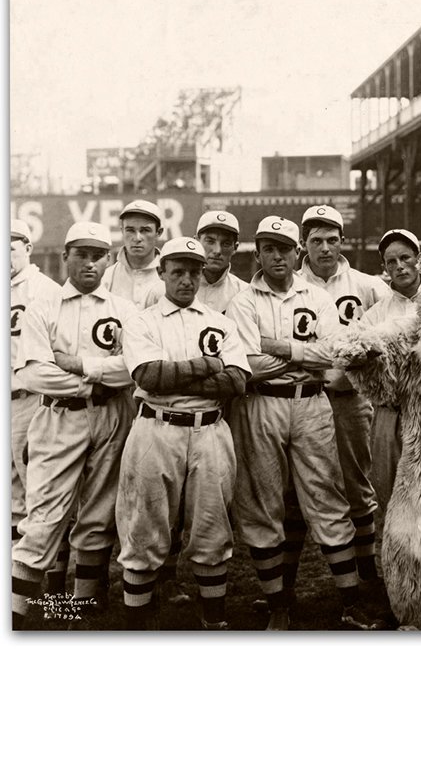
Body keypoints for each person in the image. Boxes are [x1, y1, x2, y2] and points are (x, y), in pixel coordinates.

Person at [226, 216, 382, 630]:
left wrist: (274, 347)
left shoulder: (316, 296)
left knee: (327, 498)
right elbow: (246, 363)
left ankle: (351, 602)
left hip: (312, 404)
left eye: (285, 248)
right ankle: (278, 603)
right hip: (261, 405)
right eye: (269, 248)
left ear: (298, 253)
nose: (278, 255)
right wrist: (302, 354)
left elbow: (331, 354)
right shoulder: (243, 301)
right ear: (257, 253)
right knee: (264, 503)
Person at [116, 238, 250, 630]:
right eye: (178, 271)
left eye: (194, 271)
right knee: (144, 532)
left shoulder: (220, 321)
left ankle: (214, 624)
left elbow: (238, 380)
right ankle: (136, 630)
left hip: (209, 432)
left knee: (212, 530)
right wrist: (208, 365)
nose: (187, 279)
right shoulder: (143, 321)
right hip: (155, 430)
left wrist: (178, 375)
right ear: (161, 272)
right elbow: (148, 376)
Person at [11, 223, 136, 629]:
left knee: (98, 518)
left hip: (110, 416)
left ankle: (78, 616)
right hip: (57, 416)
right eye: (80, 253)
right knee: (43, 517)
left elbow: (132, 369)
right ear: (65, 257)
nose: (89, 262)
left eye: (97, 254)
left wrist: (82, 367)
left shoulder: (124, 310)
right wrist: (94, 379)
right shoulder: (43, 307)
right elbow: (33, 375)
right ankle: (13, 618)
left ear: (109, 259)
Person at [297, 204, 388, 591]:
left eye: (332, 240)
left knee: (357, 482)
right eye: (316, 241)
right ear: (303, 244)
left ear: (342, 242)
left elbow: (389, 337)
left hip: (350, 399)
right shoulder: (291, 283)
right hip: (301, 399)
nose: (324, 249)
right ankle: (286, 584)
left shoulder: (367, 286)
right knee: (296, 488)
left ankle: (367, 574)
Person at [360, 228, 421, 509]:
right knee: (389, 489)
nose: (399, 266)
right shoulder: (376, 313)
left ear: (419, 259)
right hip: (391, 410)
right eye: (391, 262)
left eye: (405, 257)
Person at [10, 221, 62, 558]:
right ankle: (15, 571)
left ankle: (54, 580)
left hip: (31, 401)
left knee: (40, 489)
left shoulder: (44, 289)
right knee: (11, 493)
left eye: (11, 248)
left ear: (28, 249)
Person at [101, 199, 165, 308]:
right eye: (130, 230)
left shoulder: (171, 276)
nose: (137, 238)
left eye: (145, 230)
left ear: (158, 233)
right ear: (122, 231)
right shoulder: (106, 278)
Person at [195, 210, 248, 312]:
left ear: (235, 247)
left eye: (226, 244)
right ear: (196, 242)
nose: (217, 251)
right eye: (210, 241)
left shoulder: (245, 293)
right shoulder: (174, 289)